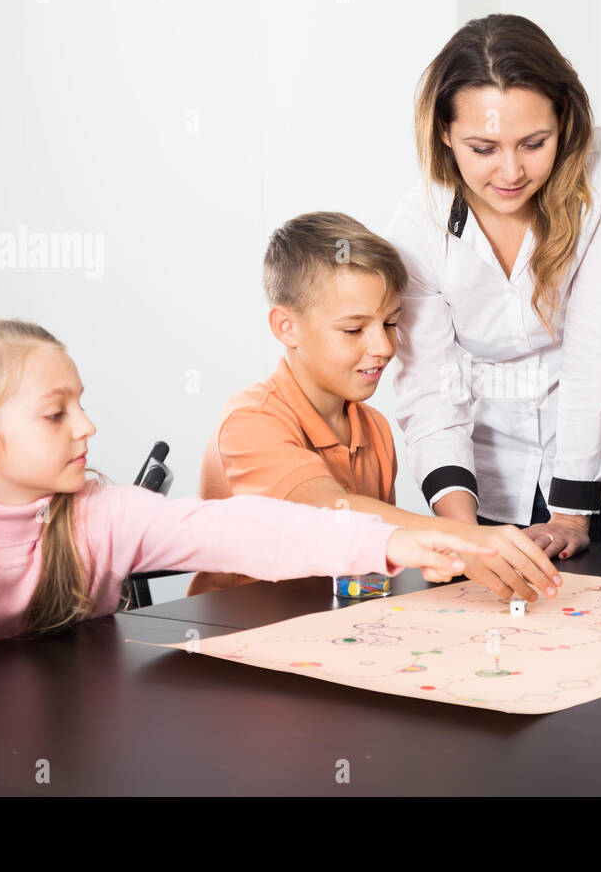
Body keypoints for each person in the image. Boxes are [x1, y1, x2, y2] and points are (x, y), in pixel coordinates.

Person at [0, 318, 493, 688]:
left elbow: (244, 529)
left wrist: (391, 542)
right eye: (57, 414)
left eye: (80, 404)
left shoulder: (100, 513)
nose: (86, 427)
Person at [385, 14, 601, 561]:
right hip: (487, 480)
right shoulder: (416, 227)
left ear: (564, 121)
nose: (511, 171)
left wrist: (572, 510)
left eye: (533, 142)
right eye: (483, 148)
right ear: (444, 133)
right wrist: (465, 533)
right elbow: (430, 389)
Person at [189, 212, 561, 600]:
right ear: (287, 327)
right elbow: (329, 511)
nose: (383, 347)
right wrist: (465, 538)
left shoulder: (375, 430)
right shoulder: (250, 420)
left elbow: (370, 559)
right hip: (241, 638)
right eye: (353, 329)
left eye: (390, 323)